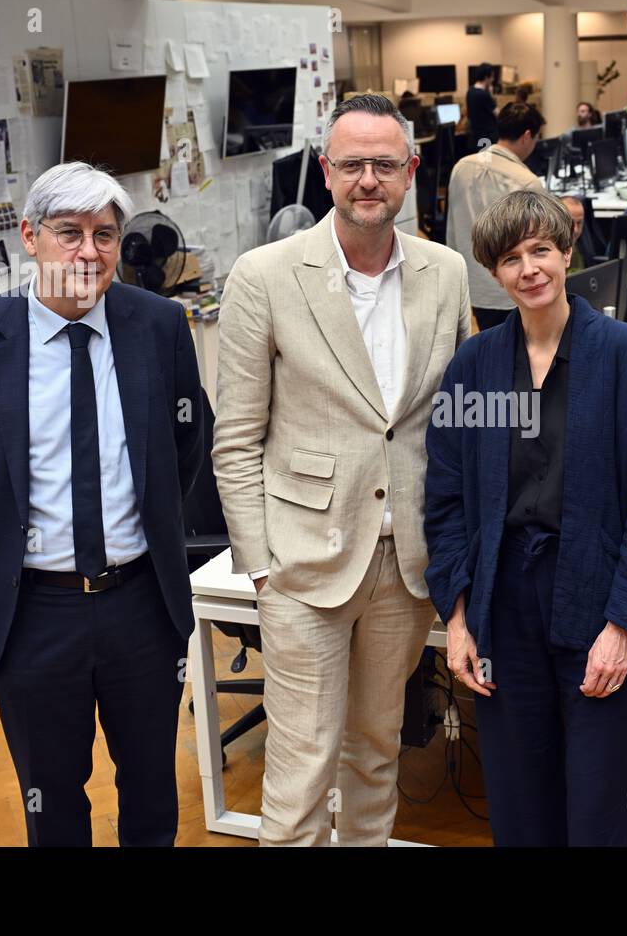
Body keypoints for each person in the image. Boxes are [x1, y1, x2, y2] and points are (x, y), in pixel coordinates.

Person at [213, 93, 473, 846]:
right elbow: (235, 438)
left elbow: (456, 423)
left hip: (406, 563)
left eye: (385, 164)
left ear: (411, 172)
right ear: (326, 172)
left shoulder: (445, 272)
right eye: (352, 164)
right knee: (299, 767)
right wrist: (260, 565)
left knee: (376, 752)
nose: (368, 179)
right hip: (303, 564)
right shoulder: (264, 276)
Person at [0, 162, 205, 846]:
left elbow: (187, 446)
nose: (88, 252)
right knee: (51, 803)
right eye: (69, 233)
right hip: (31, 613)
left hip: (143, 604)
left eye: (104, 235)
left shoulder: (160, 326)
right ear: (29, 236)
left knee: (150, 792)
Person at [425, 189, 627, 845]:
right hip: (503, 604)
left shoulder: (623, 355)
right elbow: (447, 499)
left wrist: (624, 627)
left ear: (566, 252)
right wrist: (458, 621)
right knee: (519, 800)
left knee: (602, 805)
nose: (529, 269)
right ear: (495, 273)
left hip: (597, 596)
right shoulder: (476, 367)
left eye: (540, 250)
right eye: (511, 258)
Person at [447, 101, 546, 331]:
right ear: (527, 136)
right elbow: (537, 244)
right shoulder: (527, 181)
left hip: (472, 283)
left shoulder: (461, 167)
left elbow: (452, 230)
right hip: (511, 288)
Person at [559, 194, 594, 272]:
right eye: (570, 223)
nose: (576, 230)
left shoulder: (578, 248)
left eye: (579, 223)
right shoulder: (550, 255)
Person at [466, 63, 498, 147]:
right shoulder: (483, 94)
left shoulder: (470, 91)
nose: (493, 80)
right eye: (492, 77)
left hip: (476, 135)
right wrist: (490, 94)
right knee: (487, 160)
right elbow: (497, 113)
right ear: (486, 77)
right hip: (487, 136)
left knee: (481, 159)